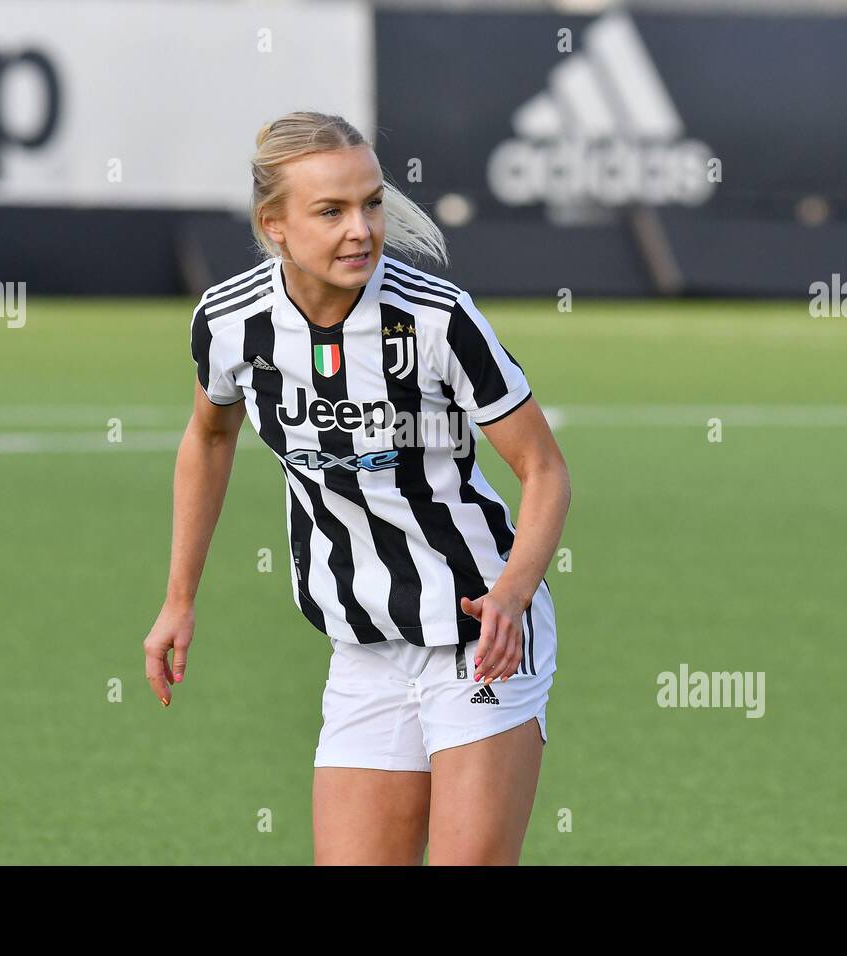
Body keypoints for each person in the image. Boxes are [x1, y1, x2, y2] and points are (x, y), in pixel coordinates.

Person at [143, 111, 571, 865]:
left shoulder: (437, 320)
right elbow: (209, 437)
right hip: (363, 647)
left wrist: (511, 595)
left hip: (479, 633)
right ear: (274, 224)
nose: (362, 229)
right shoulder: (230, 324)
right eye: (331, 211)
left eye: (372, 203)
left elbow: (545, 471)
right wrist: (179, 600)